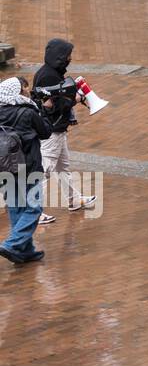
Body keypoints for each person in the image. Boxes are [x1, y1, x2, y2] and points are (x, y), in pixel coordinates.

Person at [32, 39, 94, 223]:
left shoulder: (50, 72)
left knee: (62, 167)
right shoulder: (48, 76)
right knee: (45, 170)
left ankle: (74, 199)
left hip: (57, 129)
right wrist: (75, 98)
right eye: (68, 55)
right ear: (60, 57)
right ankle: (34, 212)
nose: (70, 59)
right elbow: (55, 105)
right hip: (52, 131)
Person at [0, 77, 51, 265]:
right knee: (34, 208)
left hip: (5, 167)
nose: (27, 91)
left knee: (16, 207)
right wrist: (44, 109)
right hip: (29, 167)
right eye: (24, 88)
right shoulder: (27, 112)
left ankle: (25, 250)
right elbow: (46, 132)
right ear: (17, 92)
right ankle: (12, 244)